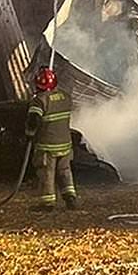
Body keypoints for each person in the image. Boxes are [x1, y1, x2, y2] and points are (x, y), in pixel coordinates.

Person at [25, 66, 78, 210]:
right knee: (65, 171)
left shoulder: (40, 101)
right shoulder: (66, 97)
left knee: (46, 173)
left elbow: (33, 120)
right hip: (65, 145)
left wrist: (29, 133)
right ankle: (70, 198)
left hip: (47, 147)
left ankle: (47, 203)